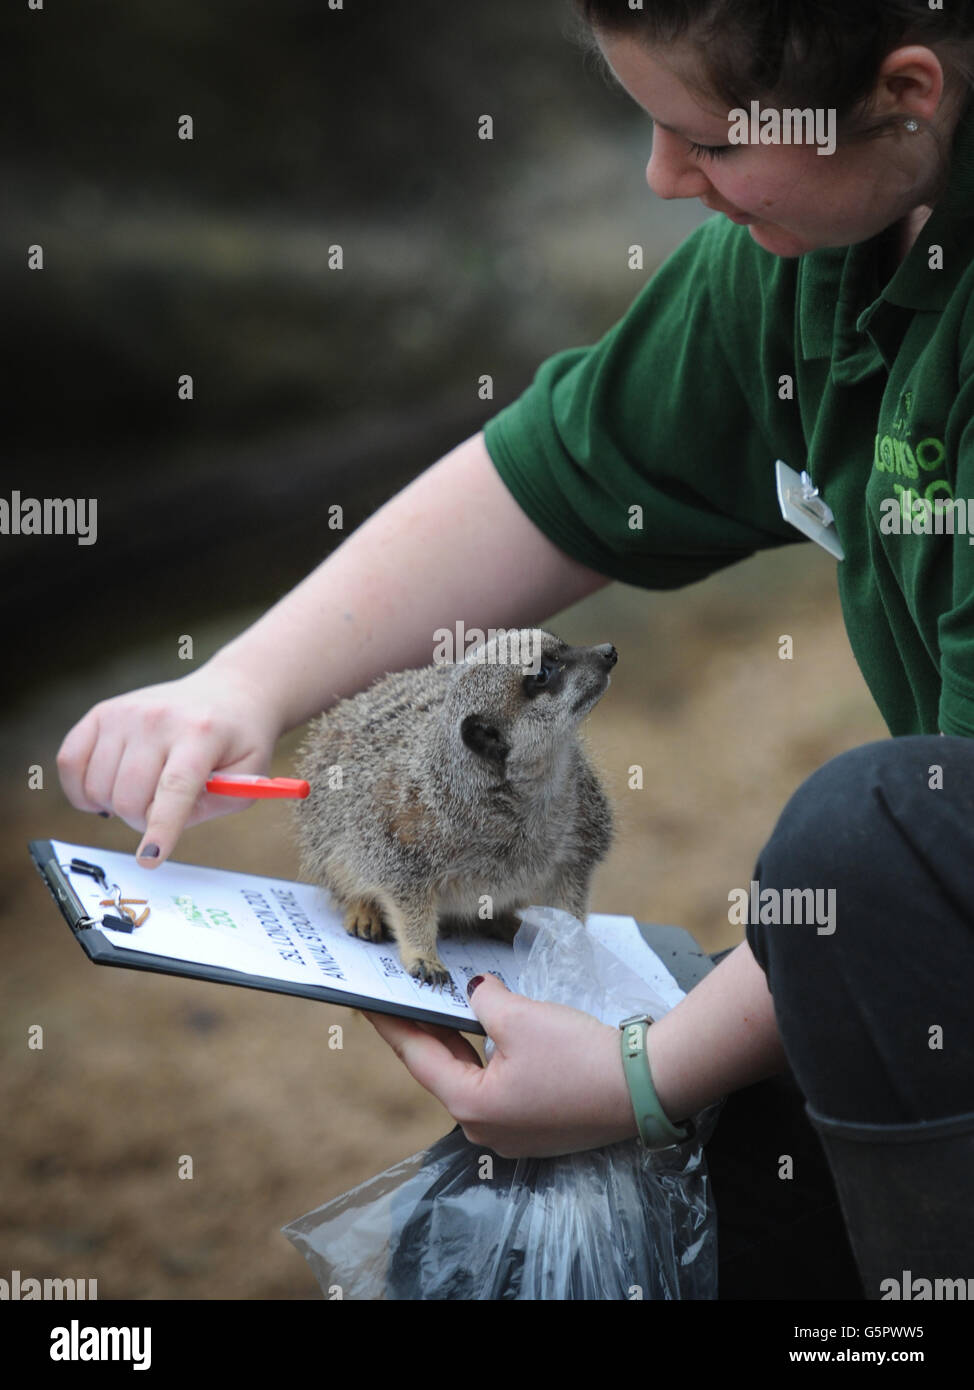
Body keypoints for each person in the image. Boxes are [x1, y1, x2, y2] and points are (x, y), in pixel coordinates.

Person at [57, 0, 974, 1299]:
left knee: (853, 837)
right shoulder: (823, 248)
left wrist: (637, 1077)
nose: (663, 180)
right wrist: (238, 686)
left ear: (905, 94)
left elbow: (920, 858)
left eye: (702, 140)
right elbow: (559, 475)